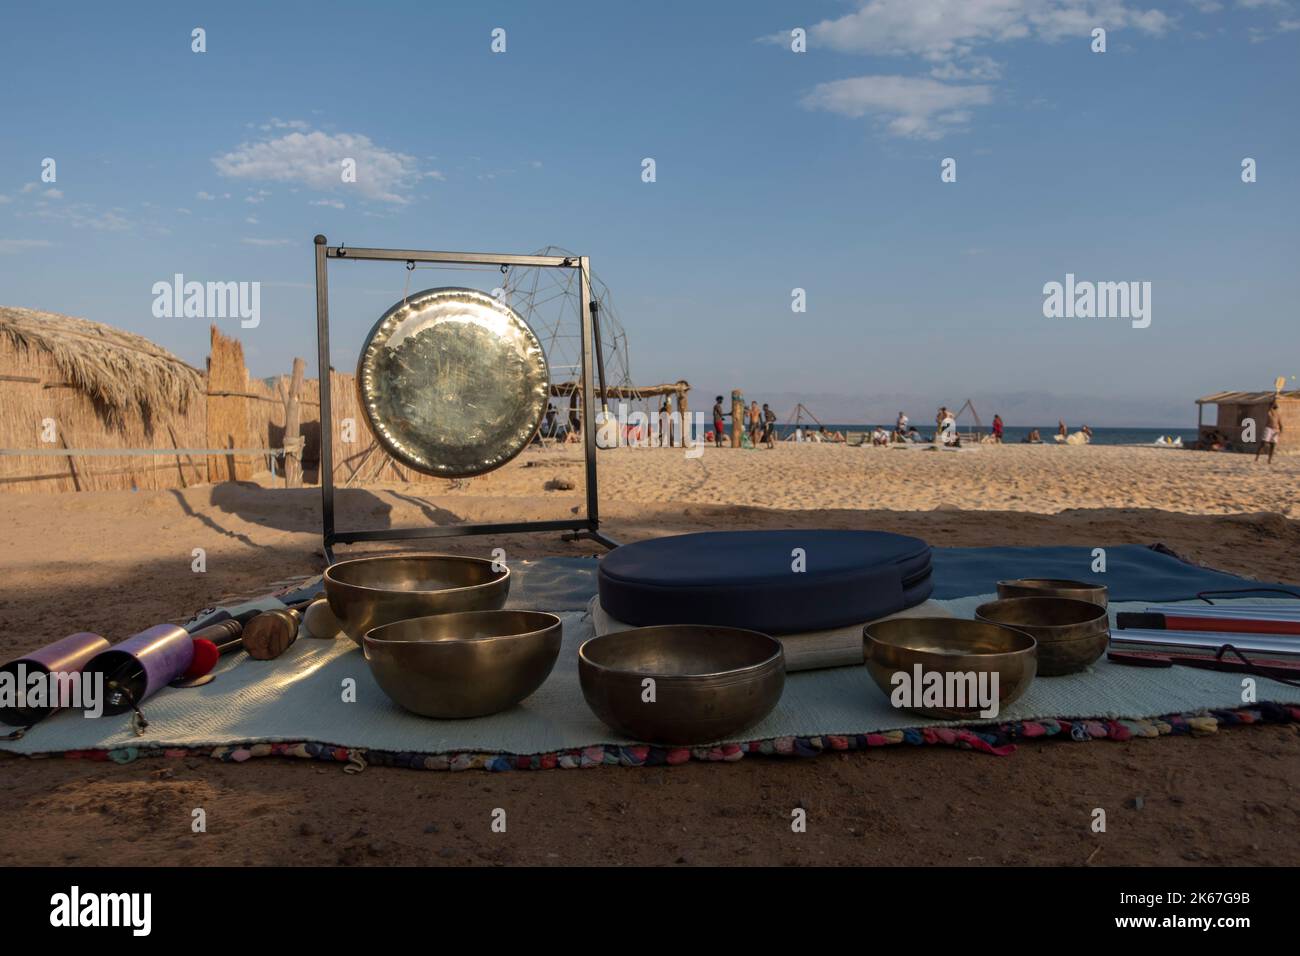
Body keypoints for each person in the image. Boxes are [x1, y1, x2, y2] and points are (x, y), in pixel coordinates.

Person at [1256, 399, 1284, 464]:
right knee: (1263, 443)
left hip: (1275, 430)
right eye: (1275, 404)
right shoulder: (1269, 412)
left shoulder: (1278, 415)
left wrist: (1281, 431)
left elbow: (1280, 424)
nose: (1276, 405)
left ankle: (1269, 459)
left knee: (1273, 445)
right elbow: (1269, 407)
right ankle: (1257, 456)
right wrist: (1273, 401)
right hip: (1268, 429)